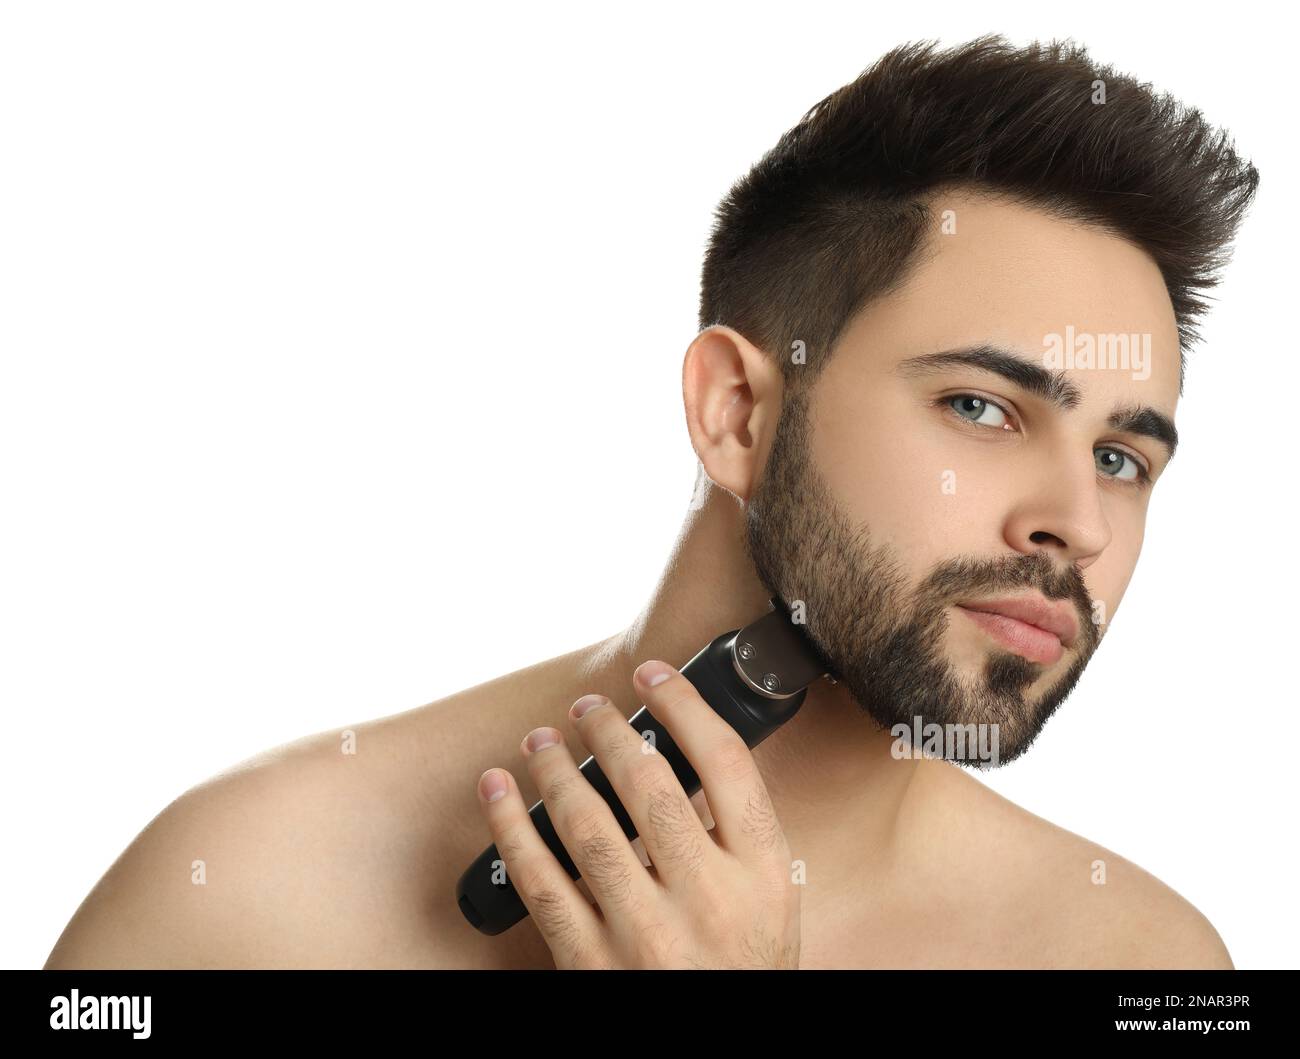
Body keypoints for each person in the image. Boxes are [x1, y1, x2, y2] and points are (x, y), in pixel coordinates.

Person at [44, 33, 1259, 969]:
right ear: (736, 411)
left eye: (1122, 459)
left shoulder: (1145, 965)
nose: (1079, 526)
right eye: (984, 409)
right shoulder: (250, 896)